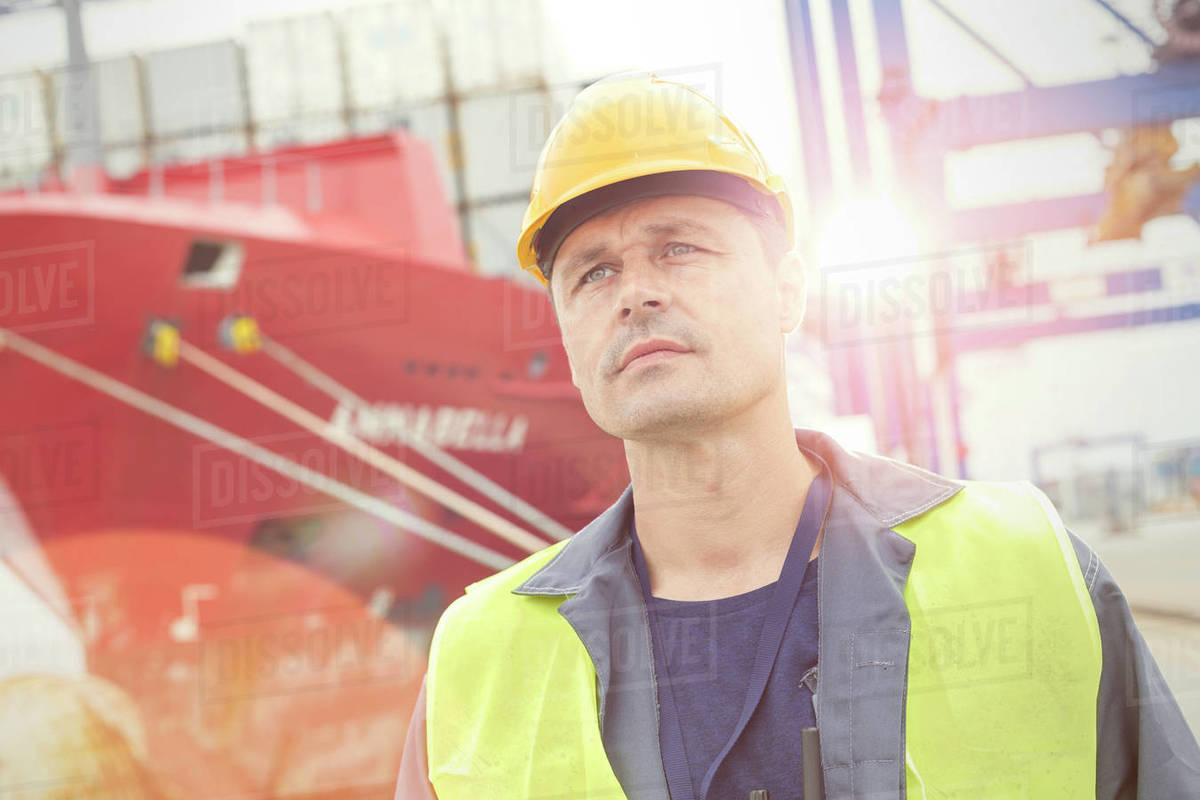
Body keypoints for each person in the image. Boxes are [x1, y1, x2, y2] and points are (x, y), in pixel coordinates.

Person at [395, 72, 1200, 799]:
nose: (635, 292)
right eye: (593, 272)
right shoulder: (476, 660)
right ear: (565, 336)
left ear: (788, 293)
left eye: (678, 247)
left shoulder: (1028, 565)